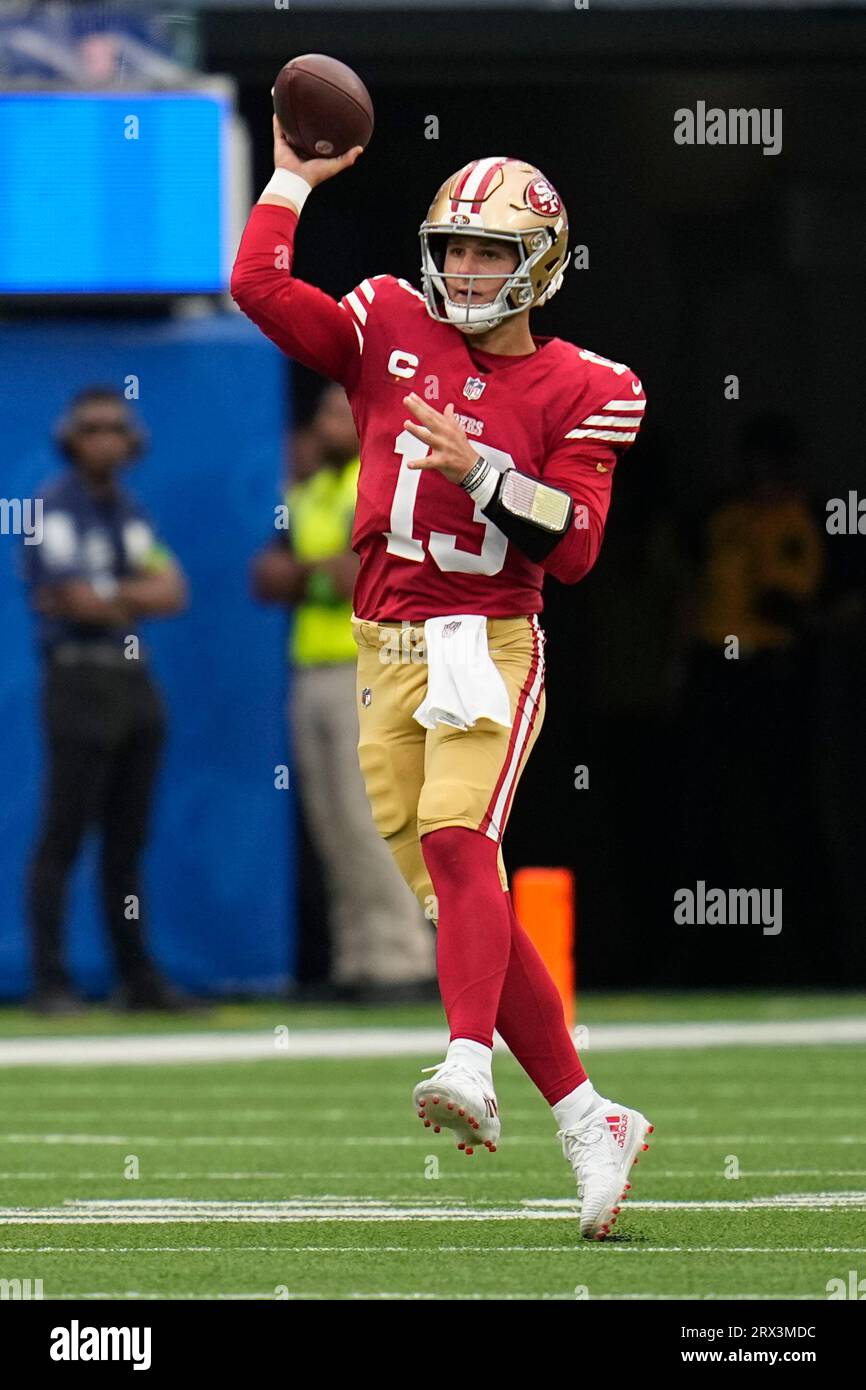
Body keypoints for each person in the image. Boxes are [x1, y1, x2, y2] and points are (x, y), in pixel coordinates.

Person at [231, 129, 652, 1239]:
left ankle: (467, 1058)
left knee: (464, 845)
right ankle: (588, 1117)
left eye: (490, 252)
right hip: (382, 649)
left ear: (543, 261)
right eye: (454, 249)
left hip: (487, 641)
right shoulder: (386, 323)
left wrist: (484, 471)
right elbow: (256, 285)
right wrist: (290, 177)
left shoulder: (587, 386)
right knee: (467, 907)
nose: (465, 271)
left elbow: (574, 549)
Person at [251, 383, 437, 1001]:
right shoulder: (310, 493)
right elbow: (269, 575)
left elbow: (359, 573)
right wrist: (313, 574)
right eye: (323, 414)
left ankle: (403, 959)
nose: (326, 426)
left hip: (370, 669)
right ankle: (357, 958)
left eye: (339, 414)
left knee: (373, 820)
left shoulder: (380, 482)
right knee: (330, 824)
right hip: (313, 668)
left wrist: (309, 575)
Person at [24, 387, 190, 1014]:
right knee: (64, 833)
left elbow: (173, 590)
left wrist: (110, 595)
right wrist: (127, 595)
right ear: (72, 438)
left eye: (114, 427)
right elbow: (72, 600)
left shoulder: (130, 511)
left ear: (130, 438)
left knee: (128, 838)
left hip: (132, 679)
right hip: (78, 678)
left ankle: (137, 979)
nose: (103, 439)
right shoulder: (51, 507)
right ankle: (50, 979)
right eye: (91, 428)